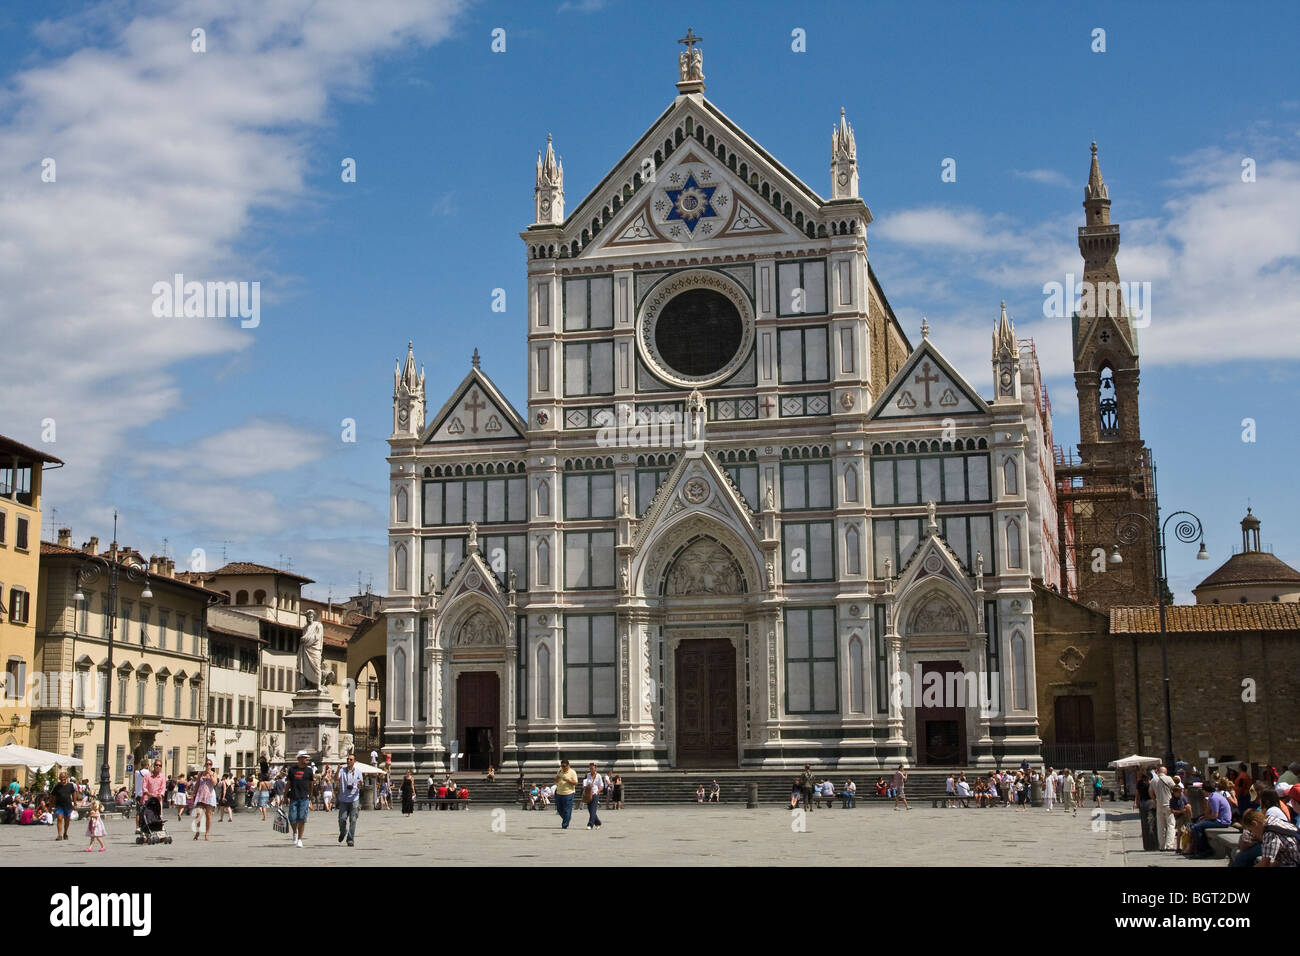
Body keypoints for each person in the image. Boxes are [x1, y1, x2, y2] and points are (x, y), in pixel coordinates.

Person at [1187, 779, 1233, 858]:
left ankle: (1203, 851)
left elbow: (1215, 815)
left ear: (1205, 790)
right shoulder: (1214, 795)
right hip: (1220, 819)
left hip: (1222, 821)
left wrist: (1205, 818)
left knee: (1197, 827)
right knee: (1198, 821)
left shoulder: (1213, 798)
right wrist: (1204, 817)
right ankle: (1202, 848)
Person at [285, 751, 315, 847]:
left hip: (304, 797)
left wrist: (310, 795)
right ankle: (295, 832)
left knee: (302, 818)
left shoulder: (309, 770)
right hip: (293, 796)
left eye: (307, 758)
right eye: (304, 757)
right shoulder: (292, 770)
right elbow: (288, 783)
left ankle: (300, 839)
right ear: (299, 758)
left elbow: (311, 784)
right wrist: (284, 795)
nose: (306, 759)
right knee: (292, 818)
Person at [336, 752, 363, 847]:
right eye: (347, 759)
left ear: (354, 761)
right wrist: (337, 770)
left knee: (353, 819)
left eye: (350, 759)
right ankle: (343, 832)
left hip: (354, 798)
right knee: (342, 819)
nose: (348, 761)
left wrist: (359, 785)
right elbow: (335, 779)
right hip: (343, 799)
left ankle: (350, 839)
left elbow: (361, 784)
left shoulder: (358, 772)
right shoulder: (342, 770)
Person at [191, 759, 218, 840]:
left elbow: (214, 783)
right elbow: (197, 784)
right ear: (205, 765)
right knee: (198, 814)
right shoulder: (201, 774)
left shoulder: (213, 773)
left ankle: (207, 833)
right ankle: (198, 831)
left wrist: (211, 775)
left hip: (209, 796)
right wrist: (194, 794)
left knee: (208, 815)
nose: (208, 765)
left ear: (211, 765)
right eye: (207, 764)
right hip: (201, 795)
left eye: (210, 764)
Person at [1151, 765, 1174, 849]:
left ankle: (1161, 846)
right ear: (1165, 772)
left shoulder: (1153, 780)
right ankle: (1169, 845)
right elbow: (1175, 789)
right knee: (1170, 825)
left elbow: (1150, 791)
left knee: (1160, 826)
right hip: (1168, 804)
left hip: (1159, 805)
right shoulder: (1168, 779)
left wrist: (1155, 800)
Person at [50, 770, 77, 841]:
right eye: (61, 777)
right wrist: (50, 806)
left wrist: (75, 803)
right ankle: (59, 835)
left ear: (66, 777)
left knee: (67, 821)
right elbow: (52, 796)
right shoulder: (57, 786)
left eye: (64, 777)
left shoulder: (70, 785)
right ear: (59, 778)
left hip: (68, 805)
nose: (63, 779)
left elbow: (74, 794)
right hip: (59, 805)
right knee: (59, 819)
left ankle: (65, 833)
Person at [554, 758, 578, 830]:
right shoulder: (560, 771)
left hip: (568, 793)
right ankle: (567, 818)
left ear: (568, 766)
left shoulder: (572, 772)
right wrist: (557, 778)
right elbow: (556, 781)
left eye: (564, 766)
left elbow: (576, 783)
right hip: (559, 792)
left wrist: (568, 780)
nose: (563, 767)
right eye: (562, 766)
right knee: (559, 809)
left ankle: (565, 824)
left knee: (567, 809)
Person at [583, 762, 603, 830]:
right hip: (588, 794)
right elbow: (584, 784)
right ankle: (598, 822)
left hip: (595, 794)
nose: (591, 769)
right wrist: (587, 786)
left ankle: (590, 824)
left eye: (592, 768)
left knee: (593, 809)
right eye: (590, 768)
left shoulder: (598, 776)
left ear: (595, 768)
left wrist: (598, 792)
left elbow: (601, 786)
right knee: (590, 810)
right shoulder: (587, 775)